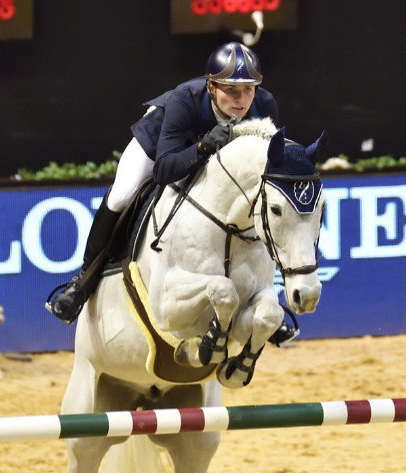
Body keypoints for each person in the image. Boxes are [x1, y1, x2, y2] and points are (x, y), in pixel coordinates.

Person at [46, 42, 298, 346]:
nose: (241, 100)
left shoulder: (265, 104)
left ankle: (269, 297)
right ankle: (82, 283)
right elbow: (165, 169)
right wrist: (204, 146)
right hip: (160, 145)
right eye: (231, 90)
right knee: (122, 194)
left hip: (216, 159)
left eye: (248, 90)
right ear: (211, 86)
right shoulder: (185, 100)